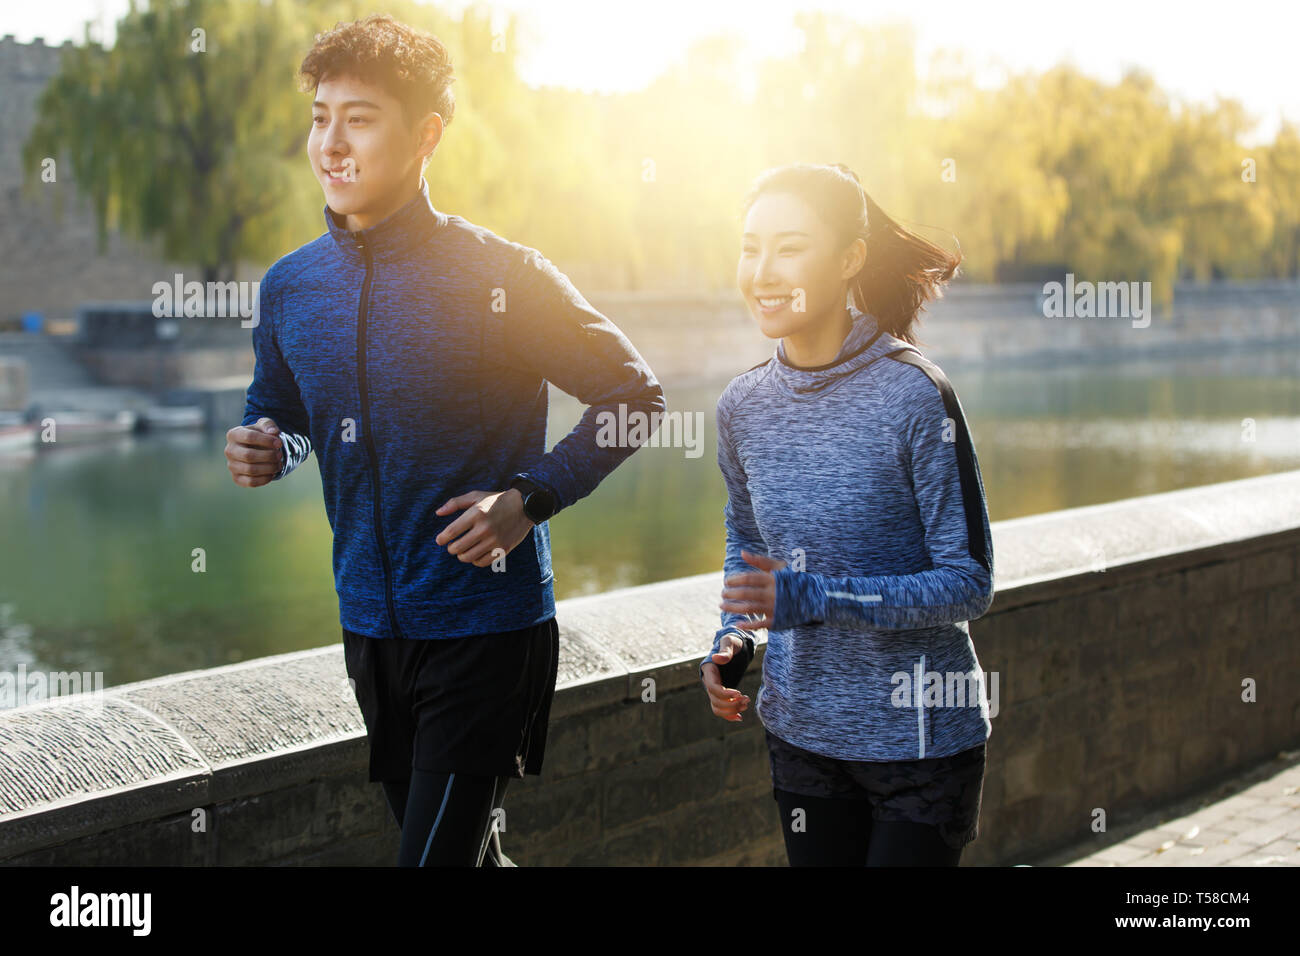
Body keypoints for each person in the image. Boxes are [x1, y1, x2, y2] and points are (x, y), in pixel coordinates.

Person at [225, 14, 664, 867]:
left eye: (360, 117)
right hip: (371, 631)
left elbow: (632, 397)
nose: (331, 142)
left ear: (426, 134)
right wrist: (270, 444)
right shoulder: (290, 288)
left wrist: (530, 500)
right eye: (320, 116)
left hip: (486, 630)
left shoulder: (503, 276)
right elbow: (281, 408)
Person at [699, 163, 995, 866]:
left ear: (849, 259)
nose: (763, 271)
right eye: (750, 247)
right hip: (802, 737)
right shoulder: (743, 407)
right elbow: (748, 547)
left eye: (790, 247)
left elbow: (968, 582)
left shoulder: (915, 394)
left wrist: (818, 597)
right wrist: (733, 638)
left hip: (920, 746)